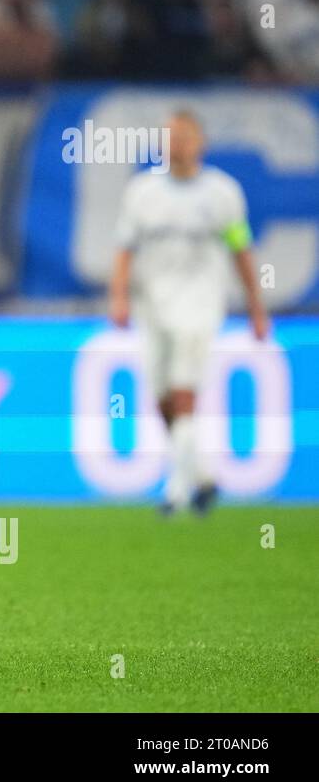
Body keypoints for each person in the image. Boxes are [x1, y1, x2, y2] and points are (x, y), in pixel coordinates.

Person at [109, 110, 270, 514]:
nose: (176, 144)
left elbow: (241, 250)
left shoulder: (222, 193)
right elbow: (125, 249)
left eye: (184, 136)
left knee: (184, 394)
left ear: (201, 142)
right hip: (153, 305)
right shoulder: (142, 192)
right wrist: (120, 297)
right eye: (170, 136)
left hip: (200, 304)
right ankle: (202, 476)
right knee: (161, 398)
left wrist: (256, 306)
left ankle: (175, 491)